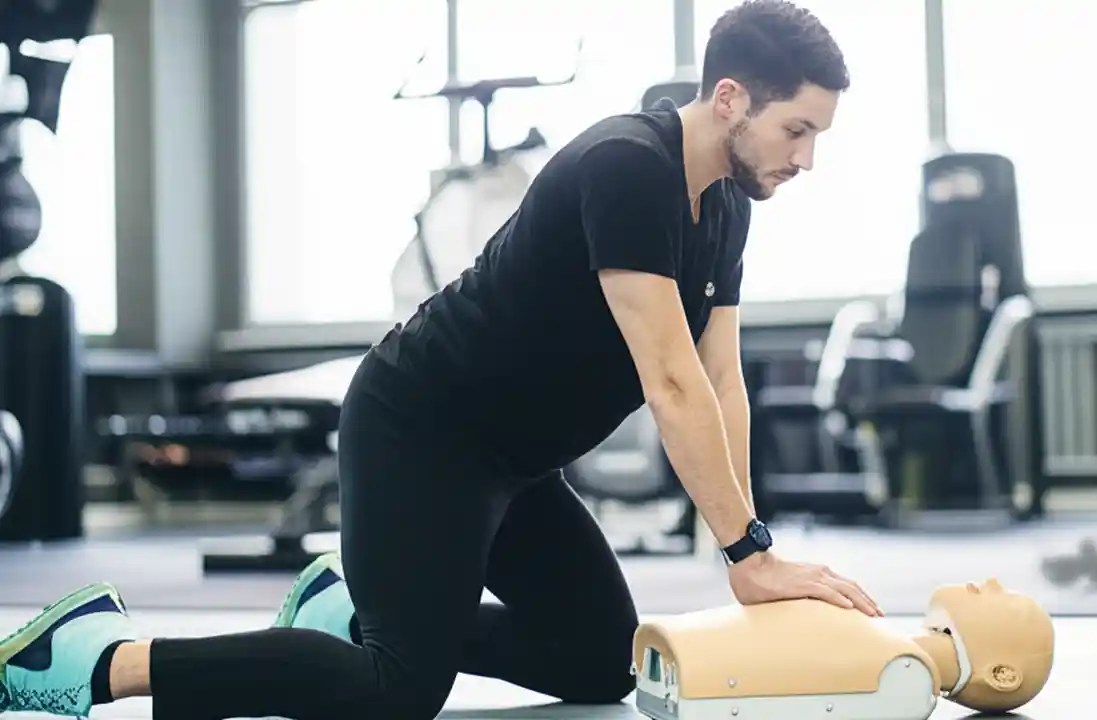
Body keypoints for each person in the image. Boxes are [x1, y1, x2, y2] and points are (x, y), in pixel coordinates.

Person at [0, 2, 878, 718]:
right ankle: (101, 656)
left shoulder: (726, 205)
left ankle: (346, 618)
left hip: (516, 465)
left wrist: (753, 546)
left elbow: (721, 382)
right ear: (729, 98)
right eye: (797, 129)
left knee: (601, 660)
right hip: (423, 434)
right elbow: (673, 383)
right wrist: (746, 553)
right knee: (398, 689)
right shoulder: (629, 168)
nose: (806, 158)